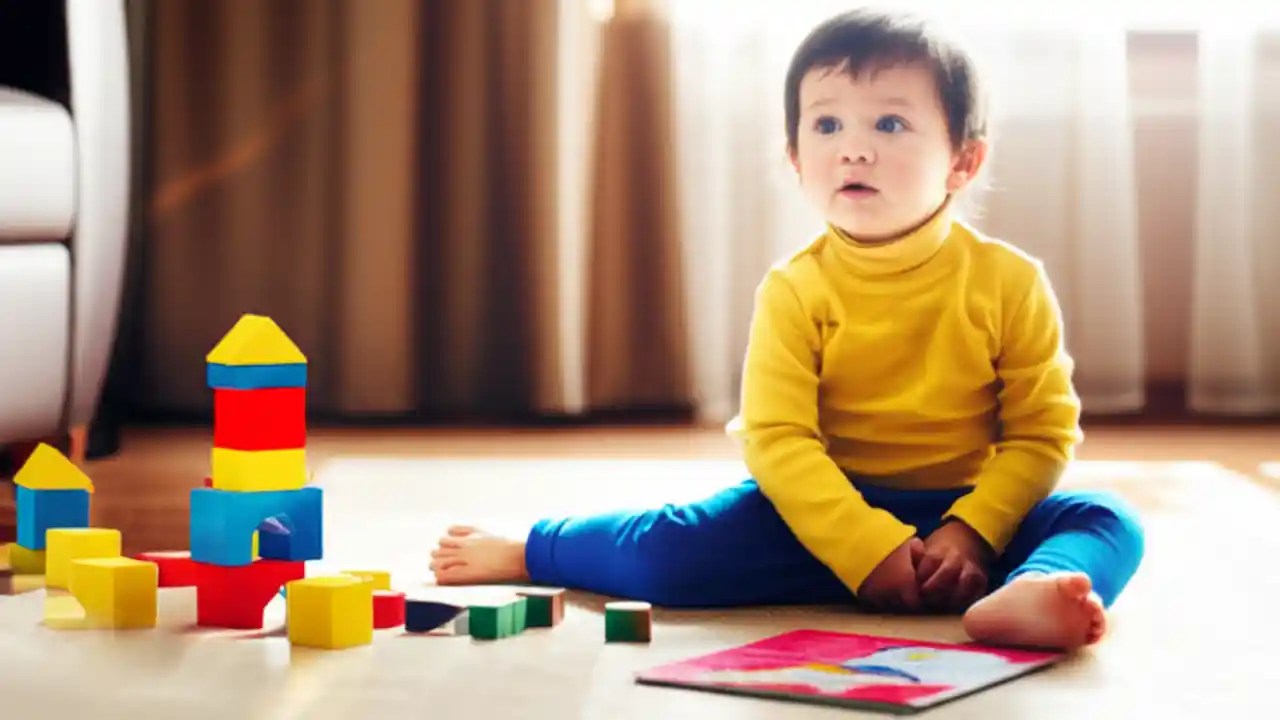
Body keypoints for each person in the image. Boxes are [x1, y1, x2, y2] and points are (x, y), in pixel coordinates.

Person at [429, 8, 1144, 651]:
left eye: (889, 124)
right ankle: (532, 549)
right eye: (827, 125)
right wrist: (863, 546)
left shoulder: (1009, 281)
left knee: (1106, 519)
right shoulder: (796, 289)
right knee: (669, 552)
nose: (853, 149)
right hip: (820, 517)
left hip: (969, 518)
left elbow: (1041, 433)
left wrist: (975, 532)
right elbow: (778, 442)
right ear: (796, 157)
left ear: (964, 160)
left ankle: (1033, 591)